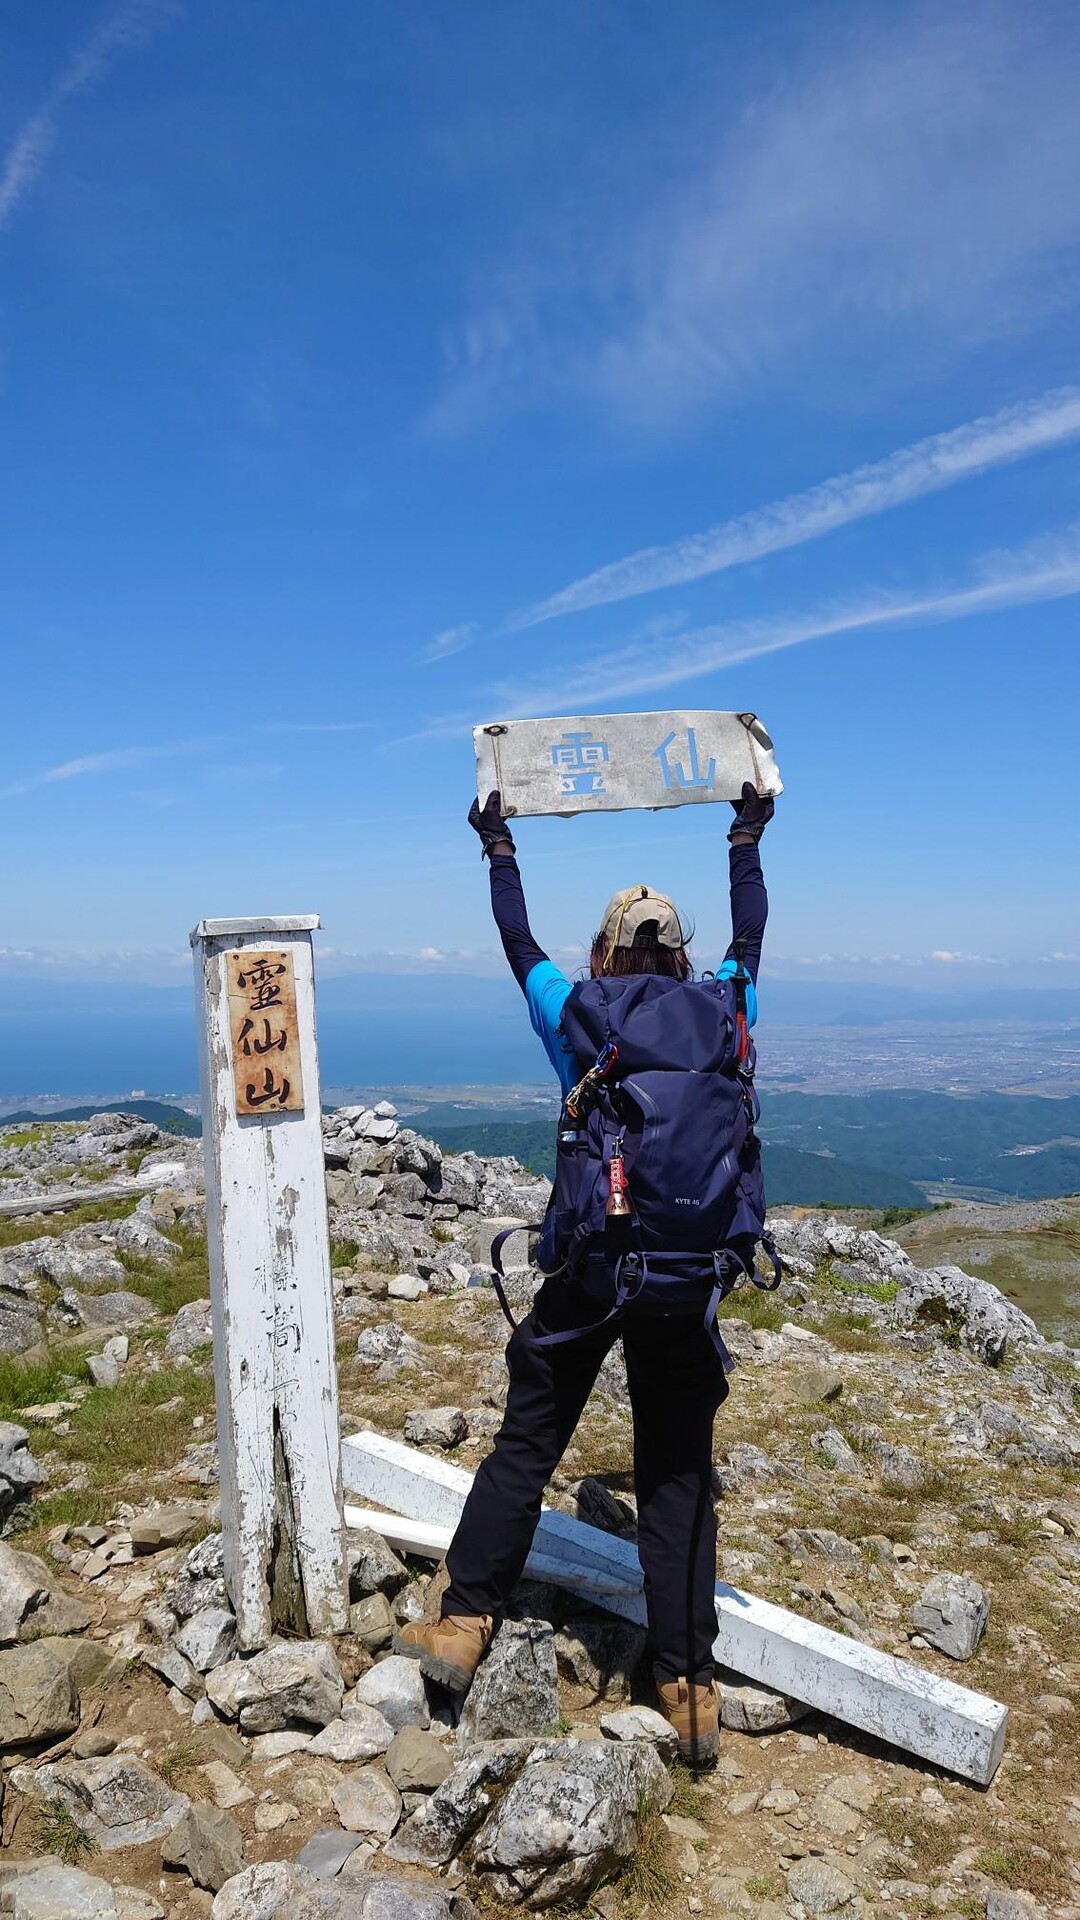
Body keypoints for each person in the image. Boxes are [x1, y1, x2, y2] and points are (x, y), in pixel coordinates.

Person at [397, 782, 774, 1764]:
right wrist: (745, 836)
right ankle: (688, 1682)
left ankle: (464, 1623)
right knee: (678, 1468)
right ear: (682, 956)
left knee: (530, 1438)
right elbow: (752, 931)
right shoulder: (727, 1004)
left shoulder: (575, 1009)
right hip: (689, 1276)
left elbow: (516, 942)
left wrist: (498, 845)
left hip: (593, 1268)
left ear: (603, 954)